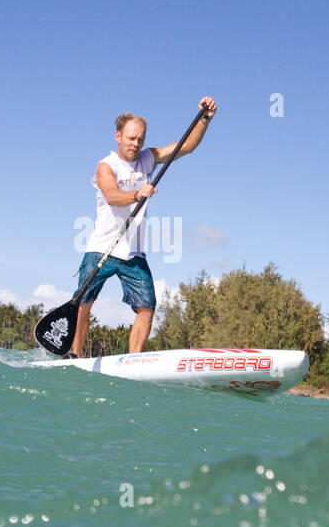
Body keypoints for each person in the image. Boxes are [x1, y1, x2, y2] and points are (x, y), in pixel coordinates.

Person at [68, 96, 217, 358]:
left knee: (147, 308)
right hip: (101, 248)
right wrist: (138, 194)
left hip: (133, 254)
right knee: (83, 304)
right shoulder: (106, 166)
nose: (136, 144)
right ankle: (75, 355)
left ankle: (133, 360)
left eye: (140, 139)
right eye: (131, 138)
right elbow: (113, 196)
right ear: (118, 136)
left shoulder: (148, 159)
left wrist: (205, 119)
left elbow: (186, 147)